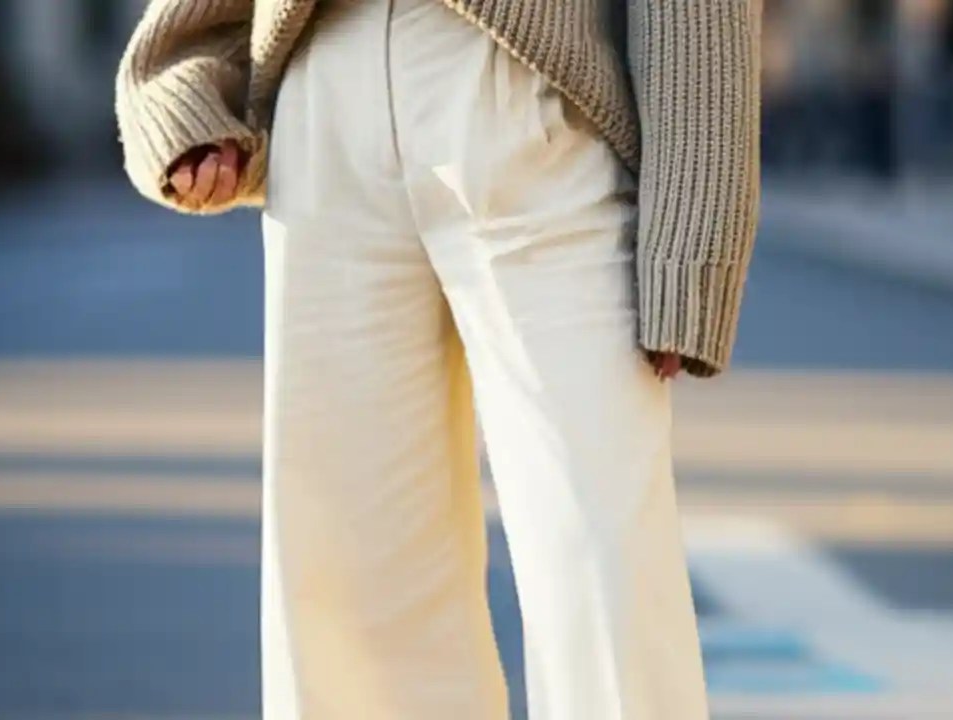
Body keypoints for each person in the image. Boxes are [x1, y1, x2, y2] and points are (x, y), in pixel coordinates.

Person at [115, 0, 762, 718]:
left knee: (603, 563)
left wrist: (695, 216)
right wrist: (186, 72)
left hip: (534, 96)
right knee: (350, 599)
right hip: (324, 90)